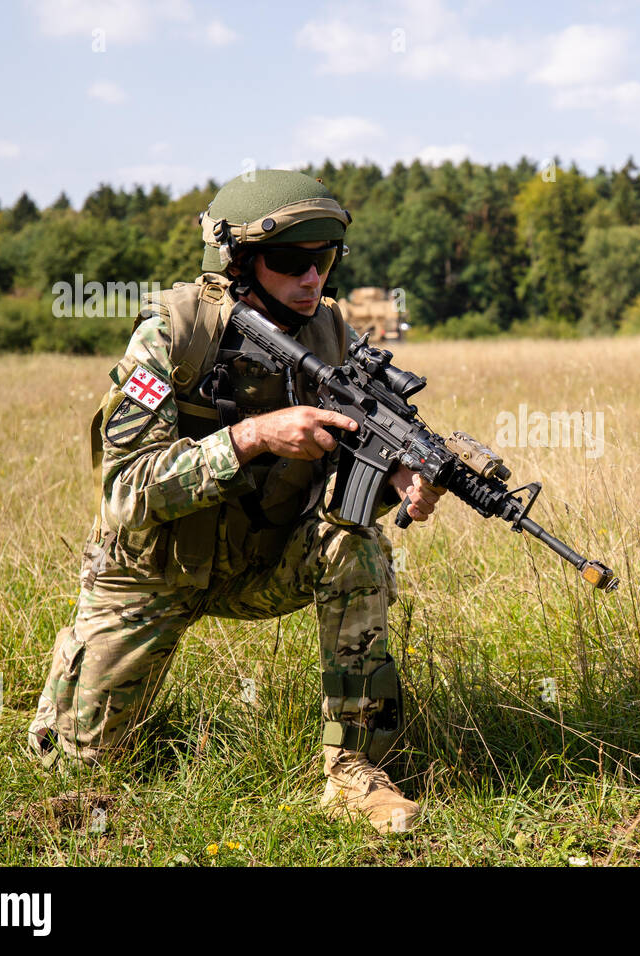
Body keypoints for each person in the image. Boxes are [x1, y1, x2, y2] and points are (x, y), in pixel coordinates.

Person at [27, 169, 444, 834]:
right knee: (77, 775)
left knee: (356, 543)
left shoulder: (330, 333)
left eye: (325, 261)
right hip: (151, 572)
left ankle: (353, 772)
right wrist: (252, 437)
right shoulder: (173, 336)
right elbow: (127, 490)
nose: (313, 279)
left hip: (262, 562)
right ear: (239, 263)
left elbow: (376, 424)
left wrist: (403, 471)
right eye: (290, 262)